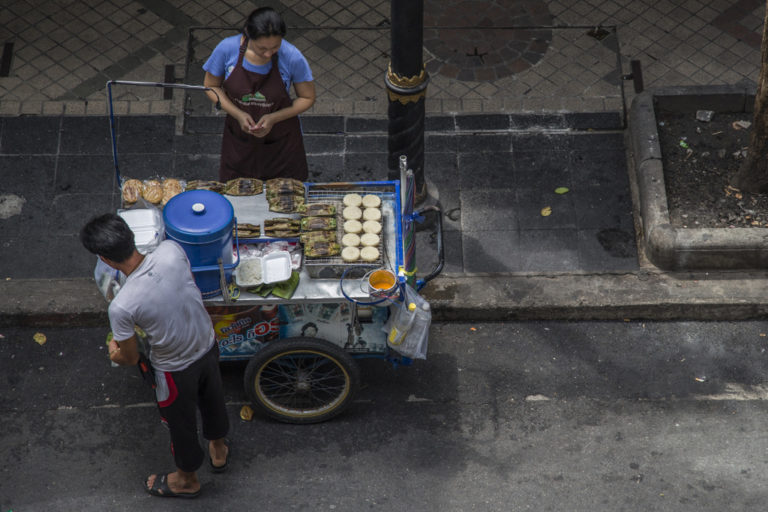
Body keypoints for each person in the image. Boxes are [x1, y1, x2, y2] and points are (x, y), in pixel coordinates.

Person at [80, 213, 230, 499]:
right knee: (213, 397)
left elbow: (131, 356)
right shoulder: (171, 251)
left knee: (181, 423)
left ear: (106, 260)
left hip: (174, 369)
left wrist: (115, 350)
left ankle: (186, 480)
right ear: (131, 238)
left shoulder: (122, 306)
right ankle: (219, 449)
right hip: (207, 344)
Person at [203, 7, 315, 182]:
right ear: (248, 35)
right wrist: (238, 114)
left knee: (286, 195)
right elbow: (211, 86)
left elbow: (307, 97)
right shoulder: (227, 49)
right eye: (262, 48)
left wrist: (274, 118)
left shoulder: (292, 56)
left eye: (275, 47)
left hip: (281, 141)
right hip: (240, 138)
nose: (268, 53)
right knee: (236, 191)